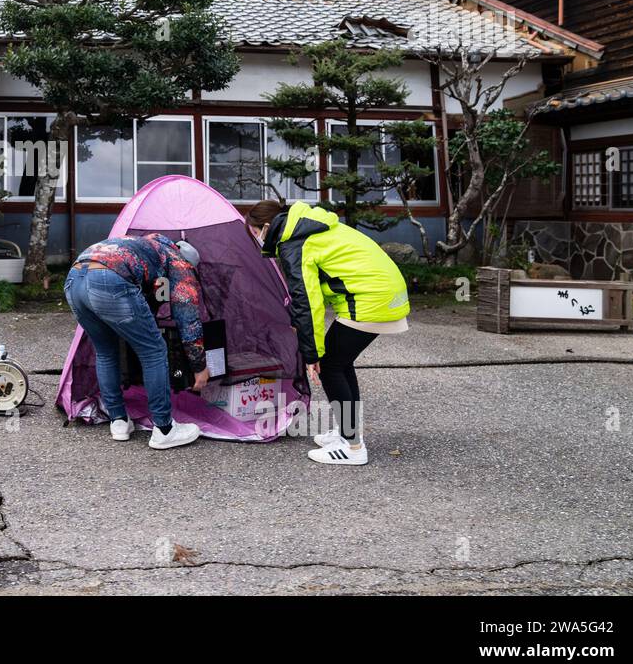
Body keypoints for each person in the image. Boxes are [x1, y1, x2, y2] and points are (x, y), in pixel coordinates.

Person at [245, 200, 410, 467]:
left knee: (330, 365)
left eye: (254, 233)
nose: (255, 239)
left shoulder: (294, 244)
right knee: (341, 362)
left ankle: (352, 446)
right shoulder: (309, 228)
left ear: (266, 227)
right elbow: (317, 290)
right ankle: (348, 430)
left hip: (371, 299)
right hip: (384, 292)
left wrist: (311, 354)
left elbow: (308, 303)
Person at [63, 233, 209, 450]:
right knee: (154, 351)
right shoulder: (178, 262)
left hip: (75, 279)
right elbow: (187, 318)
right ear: (189, 264)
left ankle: (119, 421)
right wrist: (199, 367)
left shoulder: (145, 245)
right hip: (109, 280)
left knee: (105, 351)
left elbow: (142, 294)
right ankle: (164, 429)